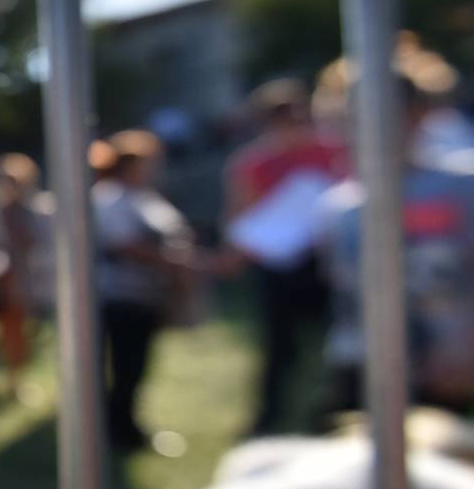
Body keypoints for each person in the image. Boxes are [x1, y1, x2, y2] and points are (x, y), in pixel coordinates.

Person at [316, 49, 474, 415]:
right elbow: (345, 291)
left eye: (390, 114)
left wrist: (463, 345)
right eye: (354, 117)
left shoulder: (461, 186)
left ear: (419, 114)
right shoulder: (339, 207)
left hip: (449, 361)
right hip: (364, 362)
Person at [222, 79, 348, 436]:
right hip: (277, 266)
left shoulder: (334, 150)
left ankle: (332, 414)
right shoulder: (253, 162)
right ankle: (268, 418)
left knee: (338, 343)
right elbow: (239, 216)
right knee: (279, 346)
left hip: (327, 263)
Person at [93, 131, 195, 453]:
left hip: (145, 295)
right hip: (119, 294)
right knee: (124, 365)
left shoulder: (143, 196)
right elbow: (123, 244)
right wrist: (168, 259)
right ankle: (116, 428)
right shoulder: (110, 197)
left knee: (135, 366)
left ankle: (125, 423)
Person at [0, 153, 44, 388]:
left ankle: (18, 375)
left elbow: (35, 240)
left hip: (28, 274)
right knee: (7, 327)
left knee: (26, 327)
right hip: (3, 276)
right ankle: (11, 376)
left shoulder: (33, 208)